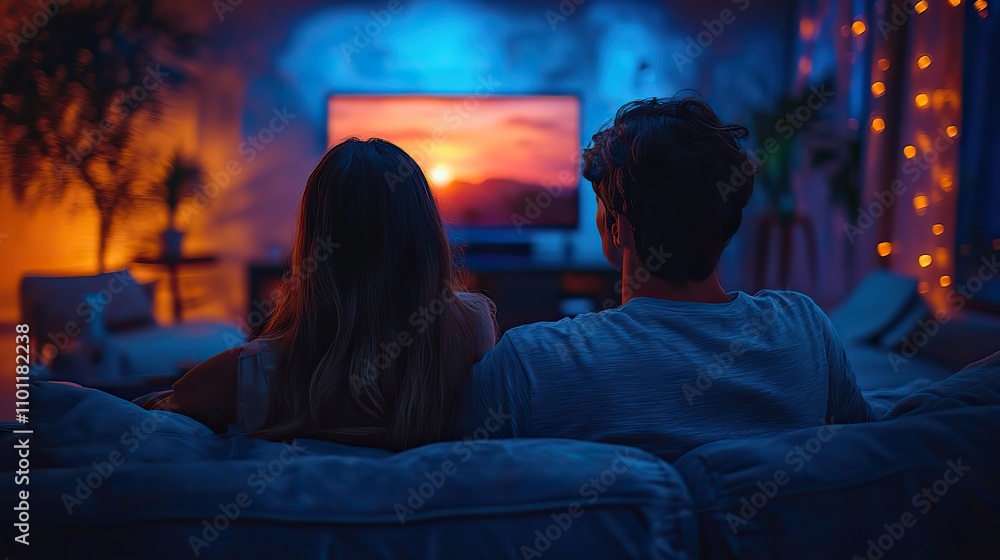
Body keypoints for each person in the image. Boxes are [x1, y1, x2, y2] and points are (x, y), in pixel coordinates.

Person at [449, 95, 875, 461]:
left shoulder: (528, 362)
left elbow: (446, 469)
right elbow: (869, 447)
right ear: (727, 218)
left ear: (620, 228)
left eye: (602, 205)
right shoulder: (805, 329)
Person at [146, 138, 498, 452]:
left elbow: (149, 418)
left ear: (315, 242)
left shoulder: (252, 370)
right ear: (425, 233)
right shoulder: (475, 326)